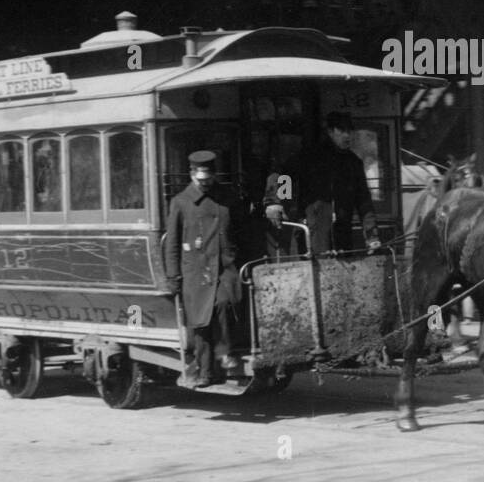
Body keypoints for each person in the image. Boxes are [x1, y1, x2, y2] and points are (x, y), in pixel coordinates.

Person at [163, 151, 243, 387]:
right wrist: (173, 277)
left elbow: (241, 229)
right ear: (191, 175)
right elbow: (173, 243)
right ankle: (205, 372)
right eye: (200, 180)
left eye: (208, 179)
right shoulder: (180, 202)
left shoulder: (226, 197)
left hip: (224, 266)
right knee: (201, 323)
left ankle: (225, 351)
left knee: (224, 303)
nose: (205, 184)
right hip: (195, 270)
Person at [265, 112, 382, 257]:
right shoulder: (310, 156)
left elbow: (363, 201)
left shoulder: (354, 163)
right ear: (330, 132)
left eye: (349, 131)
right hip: (312, 233)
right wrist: (278, 202)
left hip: (342, 236)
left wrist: (372, 236)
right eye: (341, 131)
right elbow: (285, 176)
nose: (347, 135)